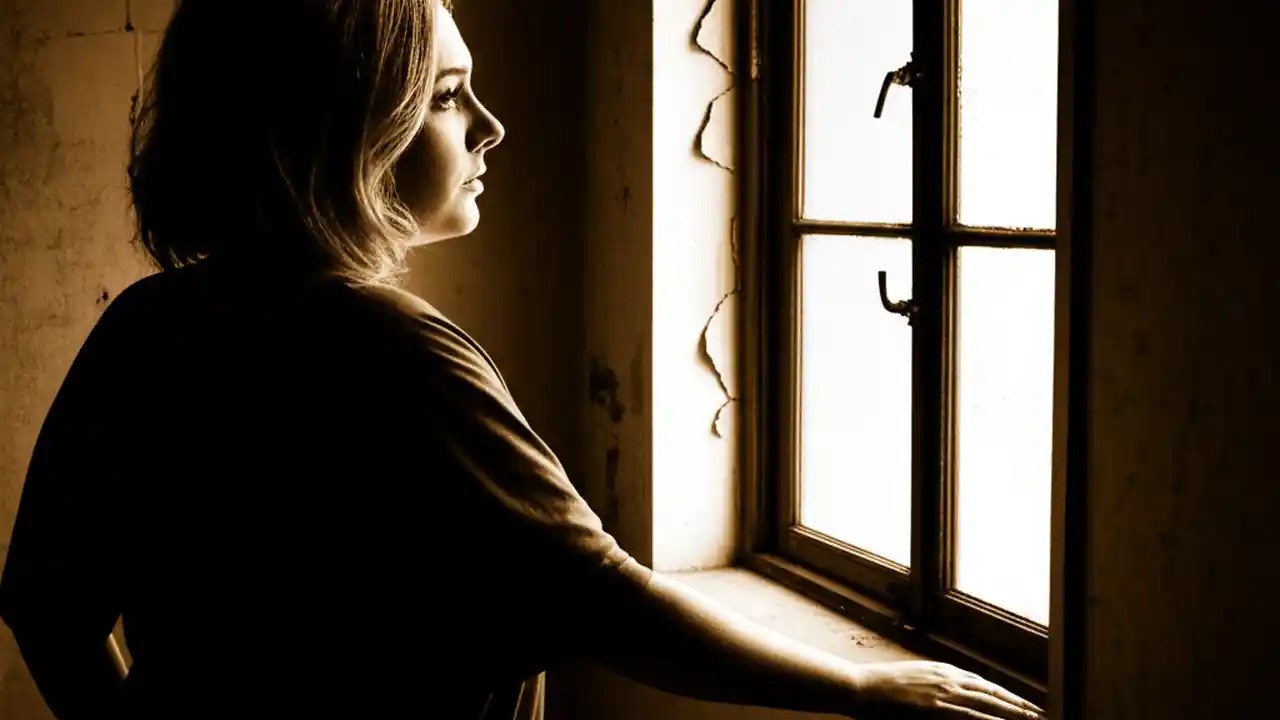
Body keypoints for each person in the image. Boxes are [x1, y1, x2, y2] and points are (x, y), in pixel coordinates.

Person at [0, 1, 1046, 718]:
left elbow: (46, 604)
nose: (492, 128)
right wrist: (857, 688)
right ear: (336, 127)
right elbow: (604, 600)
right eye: (447, 95)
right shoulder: (394, 351)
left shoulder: (145, 326)